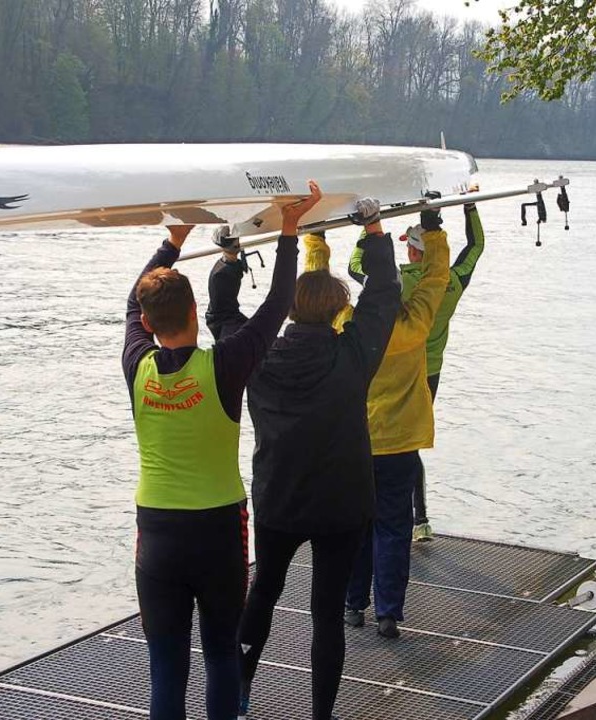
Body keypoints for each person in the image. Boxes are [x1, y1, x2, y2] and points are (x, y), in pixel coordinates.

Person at [122, 181, 321, 720]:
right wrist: (287, 229)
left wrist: (171, 243)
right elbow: (278, 306)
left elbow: (130, 306)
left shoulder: (136, 363)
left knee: (166, 668)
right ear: (194, 310)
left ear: (147, 324)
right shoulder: (224, 366)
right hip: (217, 535)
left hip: (157, 535)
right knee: (219, 658)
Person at [206, 198, 400, 720]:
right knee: (326, 615)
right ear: (339, 309)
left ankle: (240, 690)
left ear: (289, 310)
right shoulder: (353, 353)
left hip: (279, 498)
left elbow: (221, 315)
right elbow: (385, 294)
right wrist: (374, 229)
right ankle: (320, 716)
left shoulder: (256, 354)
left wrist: (230, 260)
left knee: (264, 590)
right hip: (343, 502)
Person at [349, 197, 485, 541]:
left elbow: (356, 267)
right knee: (410, 447)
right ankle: (420, 519)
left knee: (385, 441)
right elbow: (476, 246)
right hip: (431, 372)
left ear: (411, 252)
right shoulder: (450, 281)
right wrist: (468, 206)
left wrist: (364, 227)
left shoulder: (392, 282)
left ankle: (379, 512)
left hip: (394, 363)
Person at [344, 206, 450, 640]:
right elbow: (436, 278)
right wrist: (434, 229)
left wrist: (314, 241)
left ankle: (353, 605)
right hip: (401, 444)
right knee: (393, 527)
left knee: (356, 526)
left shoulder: (347, 324)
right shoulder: (416, 324)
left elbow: (316, 288)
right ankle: (388, 612)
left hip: (357, 443)